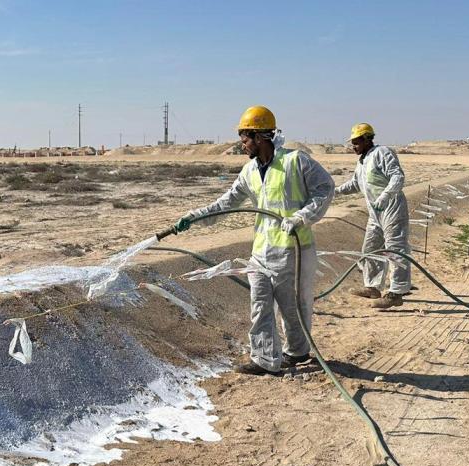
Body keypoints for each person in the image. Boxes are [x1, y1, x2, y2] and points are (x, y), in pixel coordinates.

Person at [170, 105, 334, 376]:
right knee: (259, 305)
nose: (242, 144)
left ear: (259, 137)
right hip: (261, 251)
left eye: (245, 138)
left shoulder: (296, 161)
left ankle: (298, 352)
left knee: (292, 307)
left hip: (293, 250)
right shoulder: (248, 172)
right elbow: (227, 203)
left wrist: (302, 217)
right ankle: (264, 359)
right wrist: (194, 217)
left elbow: (325, 188)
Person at [333, 123, 410, 309]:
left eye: (357, 142)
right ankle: (373, 287)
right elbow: (354, 184)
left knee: (395, 249)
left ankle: (396, 293)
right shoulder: (362, 161)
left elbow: (397, 177)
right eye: (352, 143)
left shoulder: (383, 153)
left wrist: (385, 197)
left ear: (367, 139)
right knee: (370, 249)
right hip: (375, 212)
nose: (354, 146)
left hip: (392, 208)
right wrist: (333, 192)